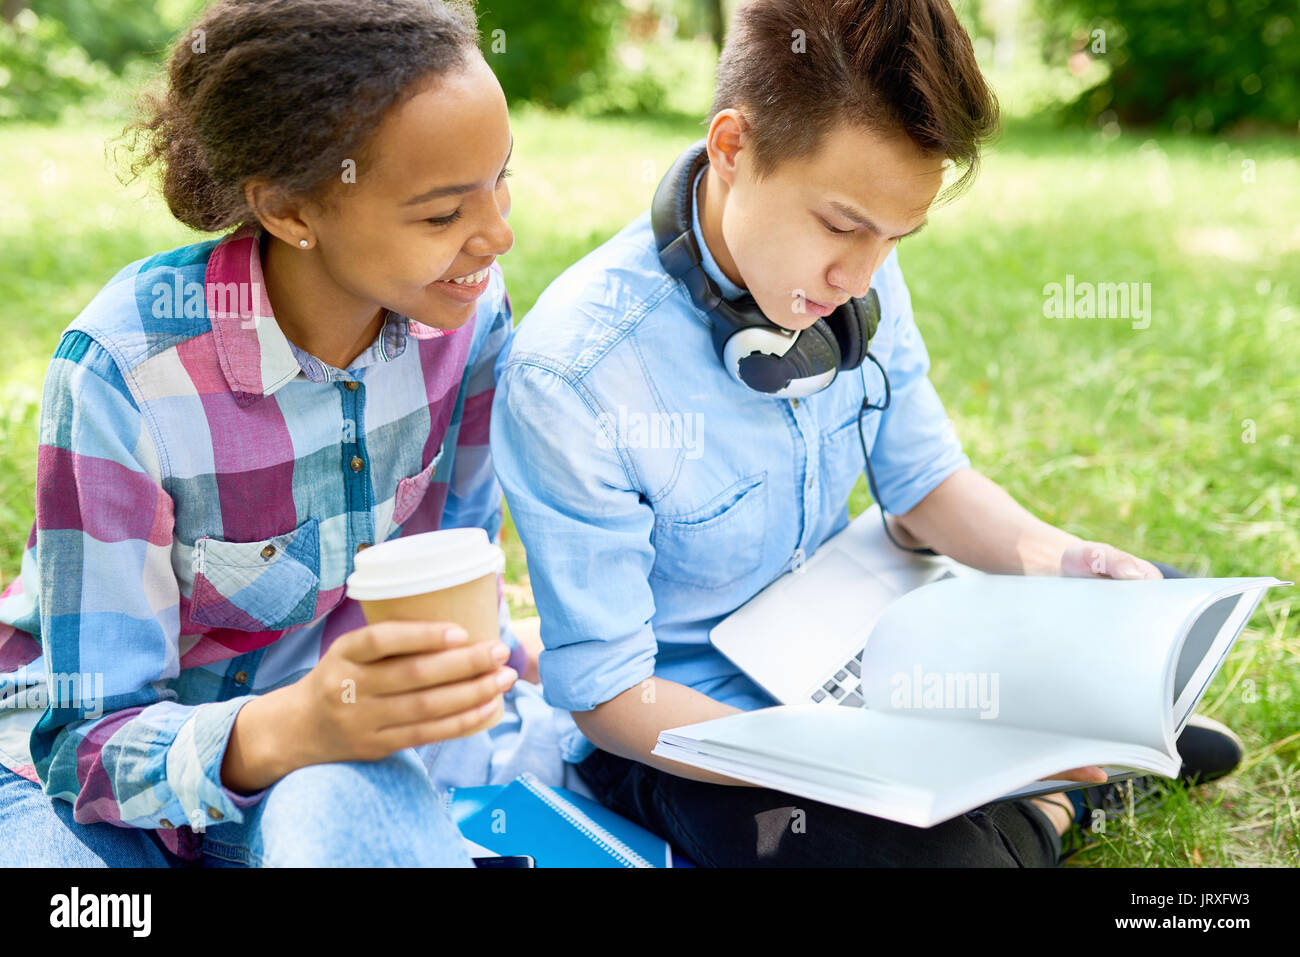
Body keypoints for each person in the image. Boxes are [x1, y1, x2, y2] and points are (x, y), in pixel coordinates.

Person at [489, 0, 1243, 866]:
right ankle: (1063, 801)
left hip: (856, 644)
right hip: (696, 735)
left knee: (1155, 609)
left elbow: (926, 487)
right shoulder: (574, 375)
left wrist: (1065, 560)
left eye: (895, 237)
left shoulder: (858, 276)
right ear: (733, 148)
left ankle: (1039, 785)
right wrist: (870, 759)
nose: (860, 276)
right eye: (841, 226)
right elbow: (611, 701)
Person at [0, 0, 566, 868]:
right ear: (292, 210)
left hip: (322, 750)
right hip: (82, 776)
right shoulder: (127, 373)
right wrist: (293, 724)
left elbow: (452, 575)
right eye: (442, 215)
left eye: (502, 179)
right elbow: (84, 741)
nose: (498, 233)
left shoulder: (467, 318)